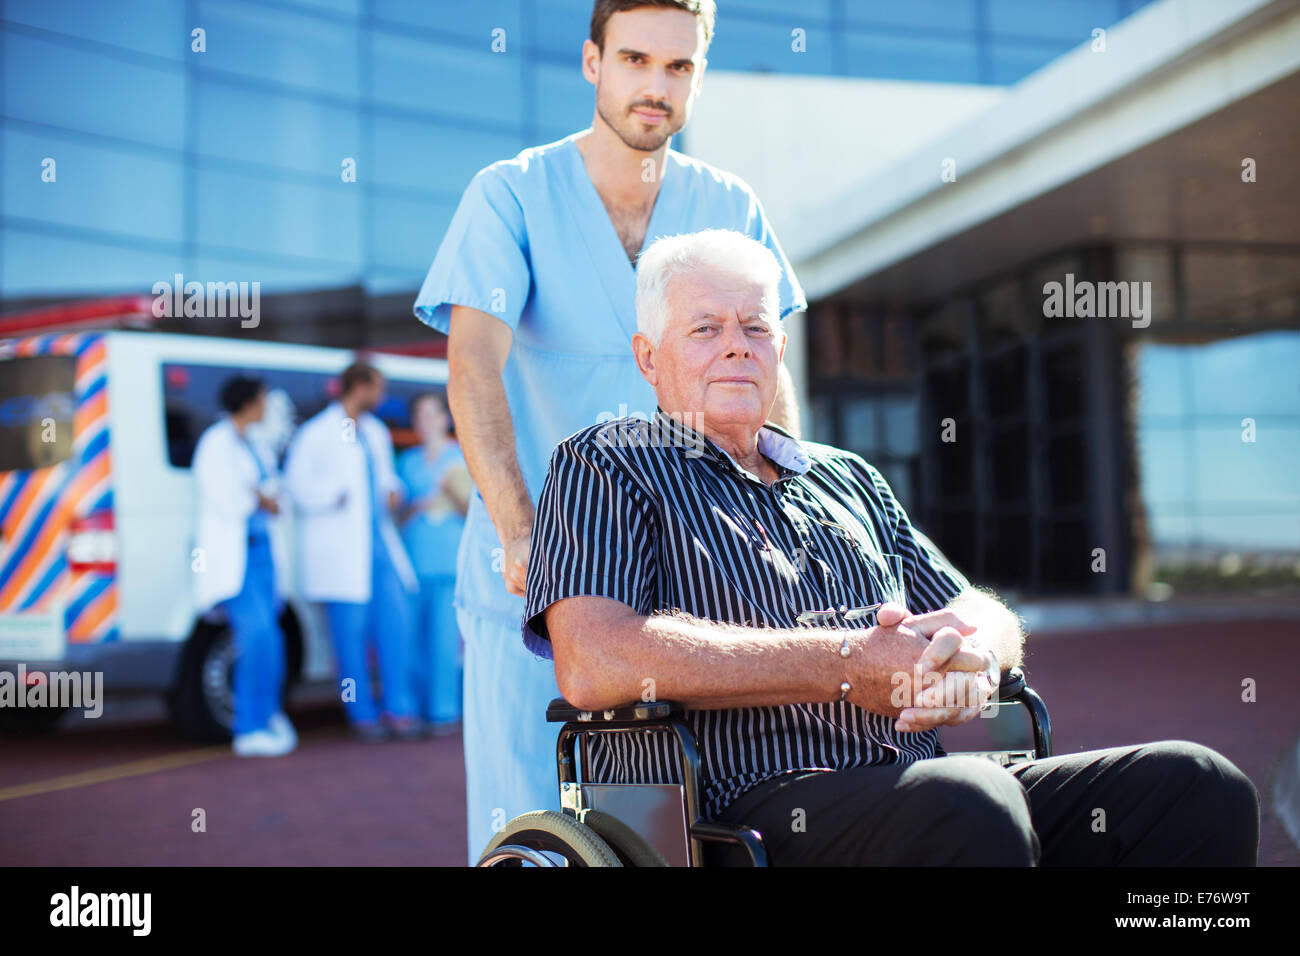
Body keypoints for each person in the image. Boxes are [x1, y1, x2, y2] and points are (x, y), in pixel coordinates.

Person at [523, 229, 1261, 866]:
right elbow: (593, 661)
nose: (736, 349)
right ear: (648, 358)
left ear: (780, 348)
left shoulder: (847, 478)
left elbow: (975, 606)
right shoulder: (607, 463)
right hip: (741, 811)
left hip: (915, 790)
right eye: (705, 329)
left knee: (1196, 784)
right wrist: (845, 667)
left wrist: (975, 653)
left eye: (754, 328)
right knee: (969, 800)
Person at [413, 0, 806, 864]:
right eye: (635, 60)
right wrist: (521, 532)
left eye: (678, 68)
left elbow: (764, 379)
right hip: (533, 580)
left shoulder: (727, 205)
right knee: (528, 831)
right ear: (593, 62)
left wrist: (794, 529)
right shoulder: (511, 193)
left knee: (681, 825)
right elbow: (474, 363)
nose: (654, 87)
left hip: (691, 575)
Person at [283, 362, 421, 742]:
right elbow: (297, 487)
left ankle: (400, 709)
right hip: (341, 555)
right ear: (358, 387)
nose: (382, 397)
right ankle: (362, 716)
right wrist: (334, 493)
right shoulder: (314, 434)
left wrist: (395, 490)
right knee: (349, 645)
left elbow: (387, 479)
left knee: (397, 627)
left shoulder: (375, 431)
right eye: (378, 389)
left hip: (380, 549)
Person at [192, 375, 296, 757]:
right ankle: (249, 726)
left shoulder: (253, 444)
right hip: (237, 559)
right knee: (255, 638)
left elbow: (274, 495)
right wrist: (258, 496)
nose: (268, 406)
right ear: (249, 402)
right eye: (264, 399)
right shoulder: (215, 444)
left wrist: (259, 495)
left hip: (264, 554)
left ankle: (268, 715)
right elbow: (231, 501)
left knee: (273, 640)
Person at [397, 392, 472, 734]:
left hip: (448, 563)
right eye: (419, 414)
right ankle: (413, 710)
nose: (425, 421)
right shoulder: (407, 462)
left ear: (446, 418)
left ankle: (444, 712)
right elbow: (396, 514)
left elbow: (473, 512)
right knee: (411, 642)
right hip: (412, 565)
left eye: (432, 414)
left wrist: (450, 489)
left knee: (445, 643)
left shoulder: (463, 456)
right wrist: (418, 505)